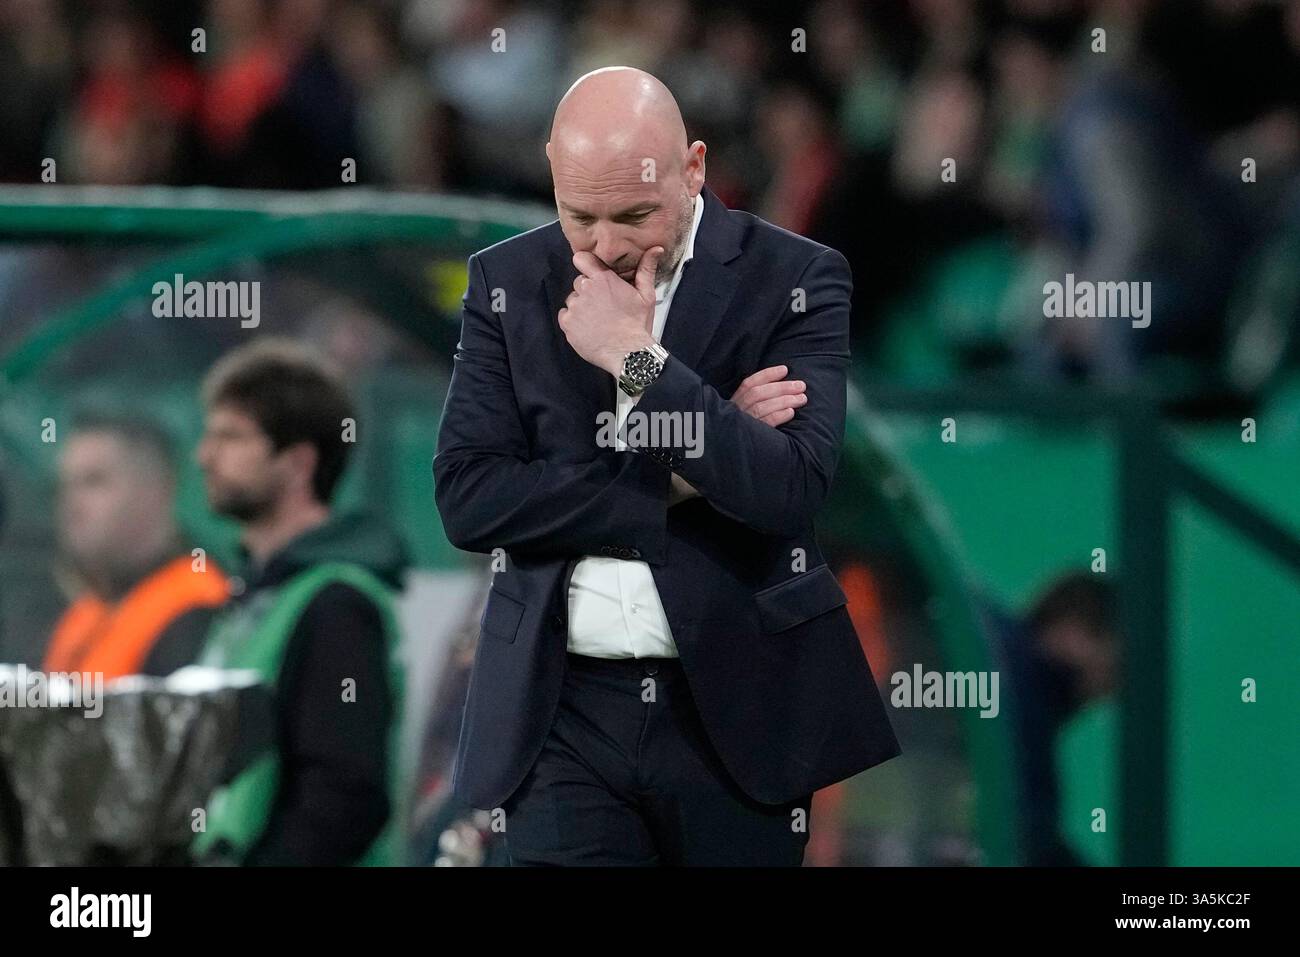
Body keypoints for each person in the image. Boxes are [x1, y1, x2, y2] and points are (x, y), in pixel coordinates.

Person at [434, 66, 900, 866]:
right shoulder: (505, 282)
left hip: (733, 711)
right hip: (557, 711)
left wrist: (636, 358)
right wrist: (684, 471)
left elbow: (788, 486)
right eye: (579, 216)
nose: (606, 246)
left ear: (692, 169)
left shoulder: (794, 277)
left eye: (633, 215)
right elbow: (470, 498)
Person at [191, 338, 407, 866]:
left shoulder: (337, 605)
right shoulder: (255, 599)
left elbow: (344, 800)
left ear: (297, 462)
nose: (204, 457)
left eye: (231, 437)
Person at [44, 415, 228, 680]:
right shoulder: (84, 613)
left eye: (94, 482)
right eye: (65, 485)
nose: (73, 503)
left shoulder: (196, 605)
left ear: (156, 490)